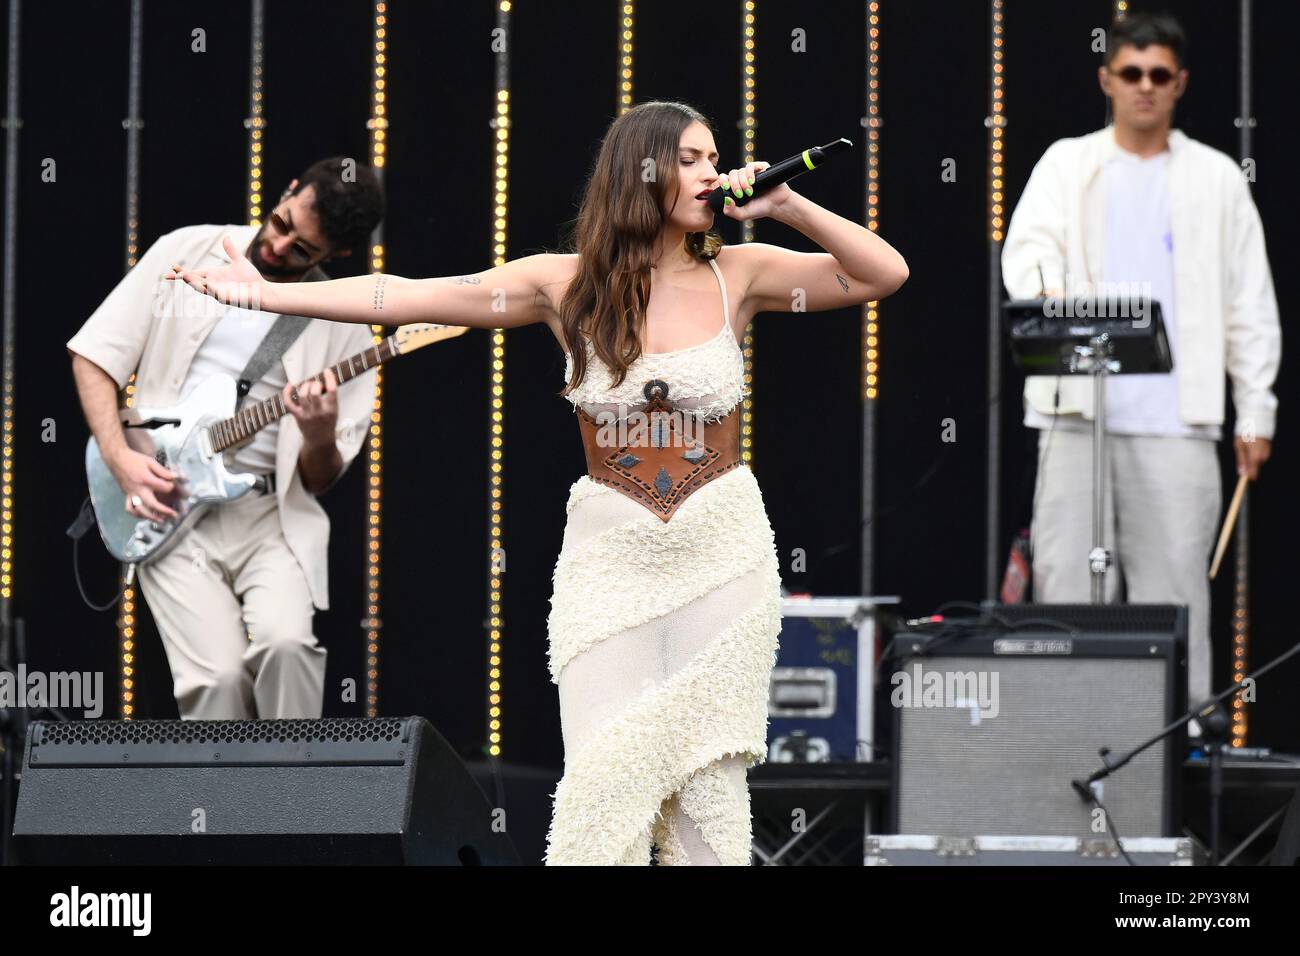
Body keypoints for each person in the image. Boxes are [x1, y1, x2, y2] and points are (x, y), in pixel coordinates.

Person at [170, 101, 908, 865]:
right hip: (611, 560)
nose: (711, 173)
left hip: (723, 559)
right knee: (602, 786)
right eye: (690, 158)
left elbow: (882, 272)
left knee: (707, 792)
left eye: (714, 158)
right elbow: (404, 294)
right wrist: (260, 293)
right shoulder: (562, 284)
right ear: (642, 170)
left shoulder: (740, 274)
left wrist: (784, 203)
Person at [1002, 13, 1281, 715]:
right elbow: (1025, 256)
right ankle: (1062, 734)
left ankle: (1179, 749)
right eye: (1132, 74)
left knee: (1175, 590)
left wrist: (1256, 409)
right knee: (1065, 580)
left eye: (1160, 75)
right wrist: (1052, 296)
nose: (1146, 87)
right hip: (1075, 414)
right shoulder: (1069, 162)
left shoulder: (1217, 178)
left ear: (1180, 83)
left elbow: (1250, 301)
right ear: (1108, 79)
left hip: (1177, 423)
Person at [69, 157, 385, 720]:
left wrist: (316, 433)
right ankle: (220, 810)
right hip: (168, 501)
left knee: (289, 649)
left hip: (271, 515)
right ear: (287, 190)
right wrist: (119, 458)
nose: (277, 247)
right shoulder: (187, 251)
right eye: (282, 221)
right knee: (214, 683)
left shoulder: (347, 323)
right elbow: (95, 354)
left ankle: (294, 805)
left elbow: (318, 478)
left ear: (335, 257)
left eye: (301, 250)